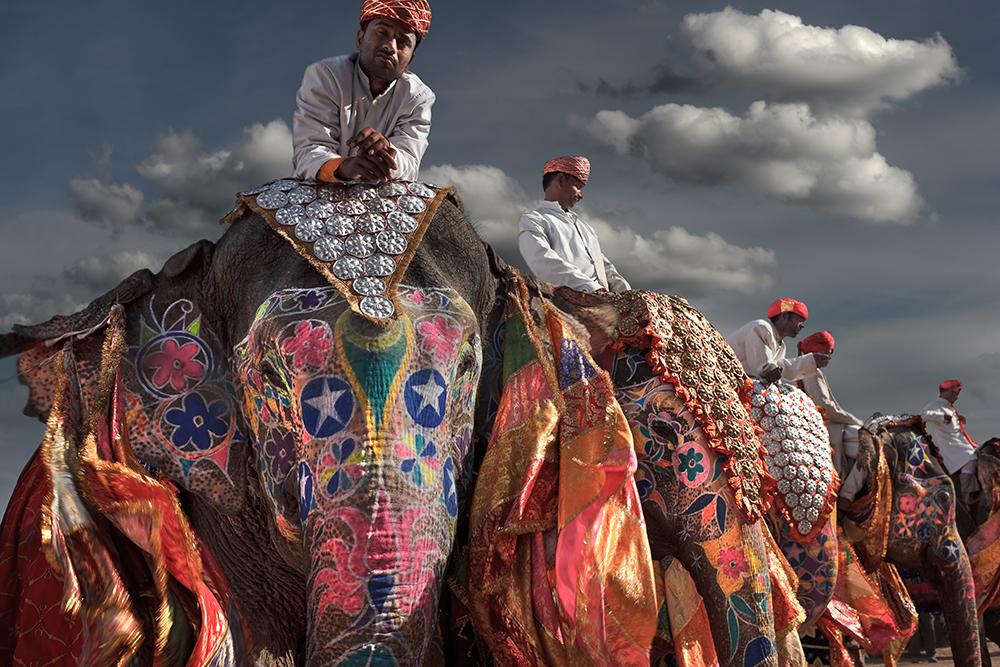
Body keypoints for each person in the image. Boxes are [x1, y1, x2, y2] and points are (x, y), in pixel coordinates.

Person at [292, 0, 434, 184]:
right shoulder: (327, 75)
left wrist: (388, 150)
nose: (390, 47)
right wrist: (346, 167)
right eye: (382, 32)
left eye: (402, 42)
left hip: (381, 200)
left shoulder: (418, 97)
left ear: (410, 60)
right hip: (320, 194)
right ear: (360, 39)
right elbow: (308, 151)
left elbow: (410, 162)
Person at [517, 156, 631, 293]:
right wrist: (593, 289)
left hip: (605, 301)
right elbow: (543, 263)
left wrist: (627, 293)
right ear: (560, 180)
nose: (581, 195)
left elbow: (604, 266)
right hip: (564, 304)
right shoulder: (533, 220)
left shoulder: (586, 228)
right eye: (578, 187)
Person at [795, 331, 867, 502]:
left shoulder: (808, 371)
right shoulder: (812, 373)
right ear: (815, 352)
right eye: (826, 352)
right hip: (831, 428)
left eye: (830, 353)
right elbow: (825, 408)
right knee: (872, 447)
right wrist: (857, 422)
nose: (829, 357)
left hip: (829, 426)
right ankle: (847, 494)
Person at [725, 299, 830, 384]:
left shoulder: (781, 345)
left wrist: (810, 362)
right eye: (799, 320)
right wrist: (809, 361)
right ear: (784, 316)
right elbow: (763, 370)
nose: (802, 325)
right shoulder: (761, 327)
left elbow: (775, 371)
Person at [922, 380, 979, 507]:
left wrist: (959, 421)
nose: (957, 397)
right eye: (956, 393)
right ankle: (966, 496)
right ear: (948, 392)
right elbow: (923, 415)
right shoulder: (935, 405)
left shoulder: (949, 407)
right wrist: (942, 416)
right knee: (971, 460)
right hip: (950, 447)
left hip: (959, 444)